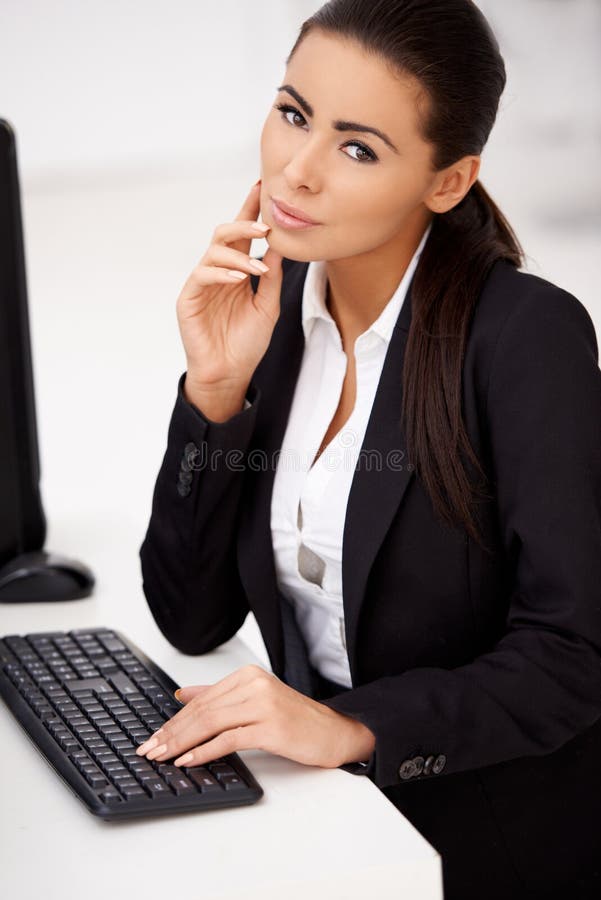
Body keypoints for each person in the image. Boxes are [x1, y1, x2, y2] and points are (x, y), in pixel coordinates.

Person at [137, 1, 601, 897]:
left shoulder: (525, 339)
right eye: (292, 113)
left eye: (356, 148)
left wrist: (353, 728)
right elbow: (188, 617)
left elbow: (571, 656)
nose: (294, 173)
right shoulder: (271, 314)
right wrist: (214, 393)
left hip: (480, 844)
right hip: (320, 820)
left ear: (447, 180)